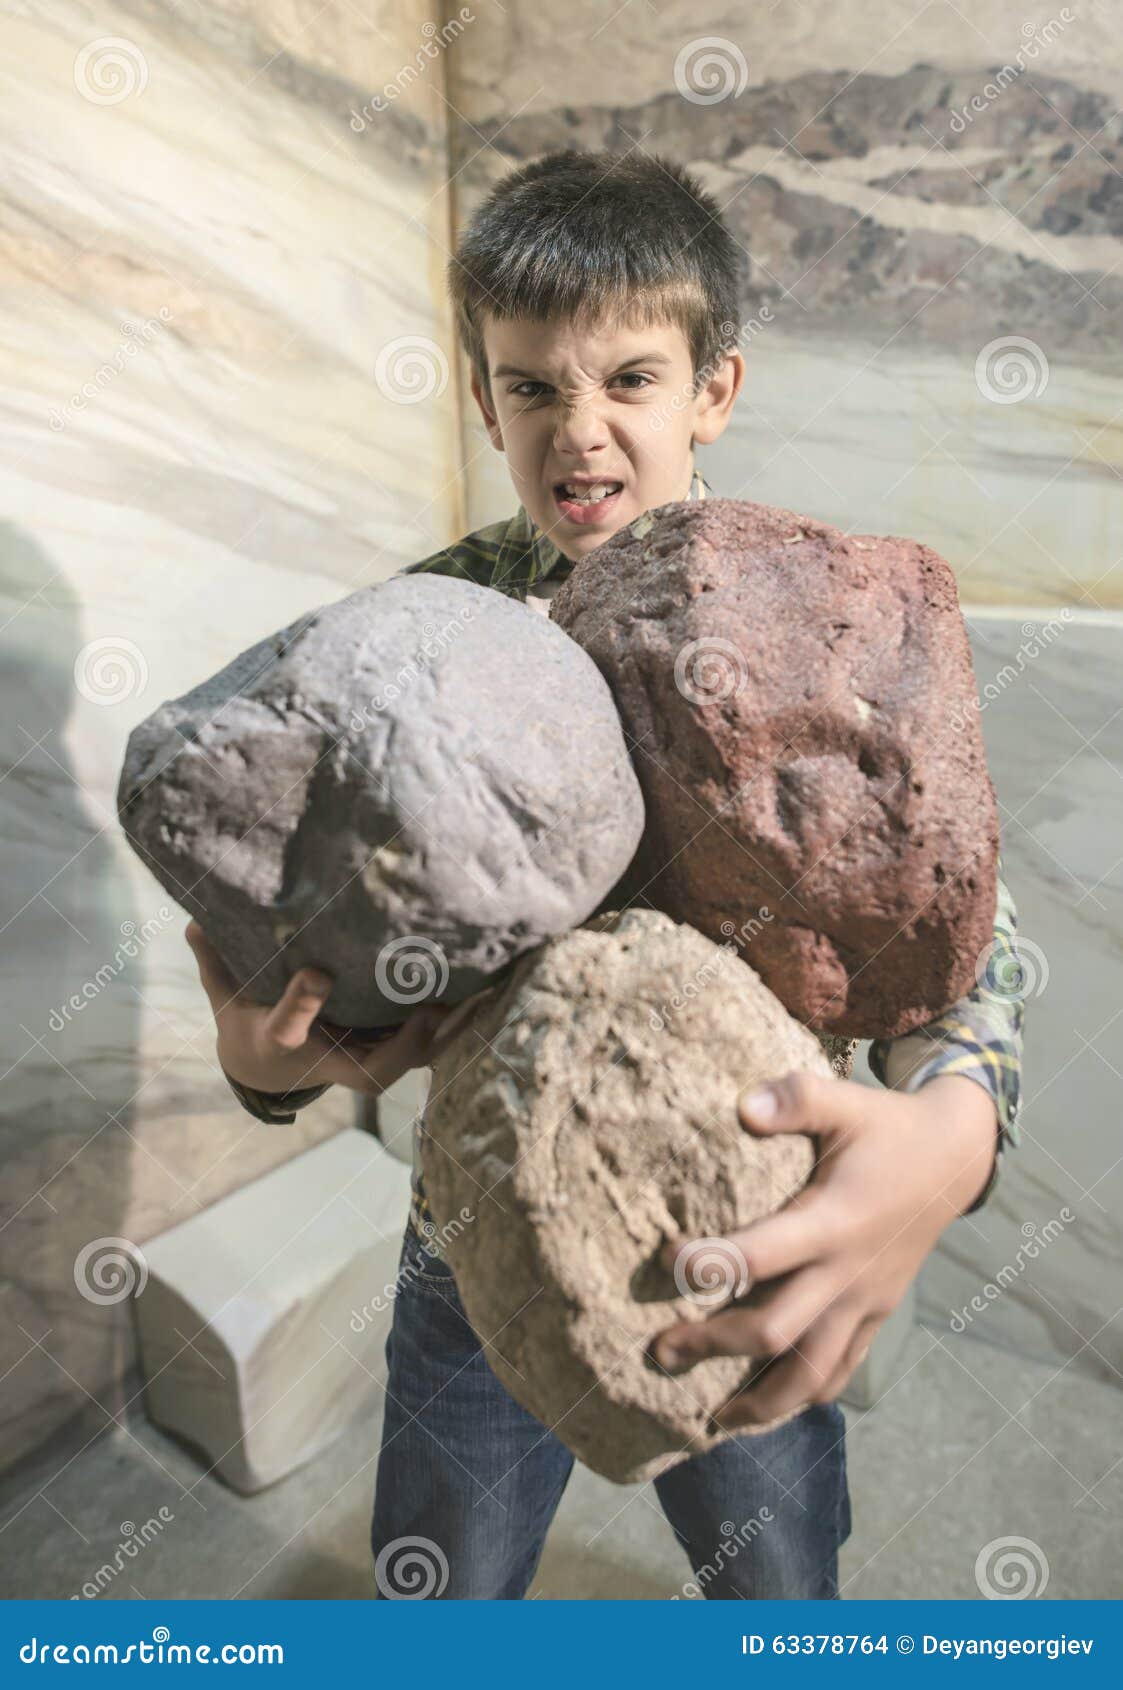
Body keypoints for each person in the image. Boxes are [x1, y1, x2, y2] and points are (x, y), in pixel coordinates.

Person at [186, 149, 1025, 1600]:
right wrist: (268, 1056)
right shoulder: (433, 624)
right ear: (481, 394)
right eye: (532, 385)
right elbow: (329, 943)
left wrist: (952, 1131)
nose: (581, 432)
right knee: (442, 1576)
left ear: (716, 389)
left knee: (781, 1586)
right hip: (482, 1212)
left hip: (750, 1194)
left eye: (632, 378)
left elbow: (947, 915)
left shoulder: (818, 614)